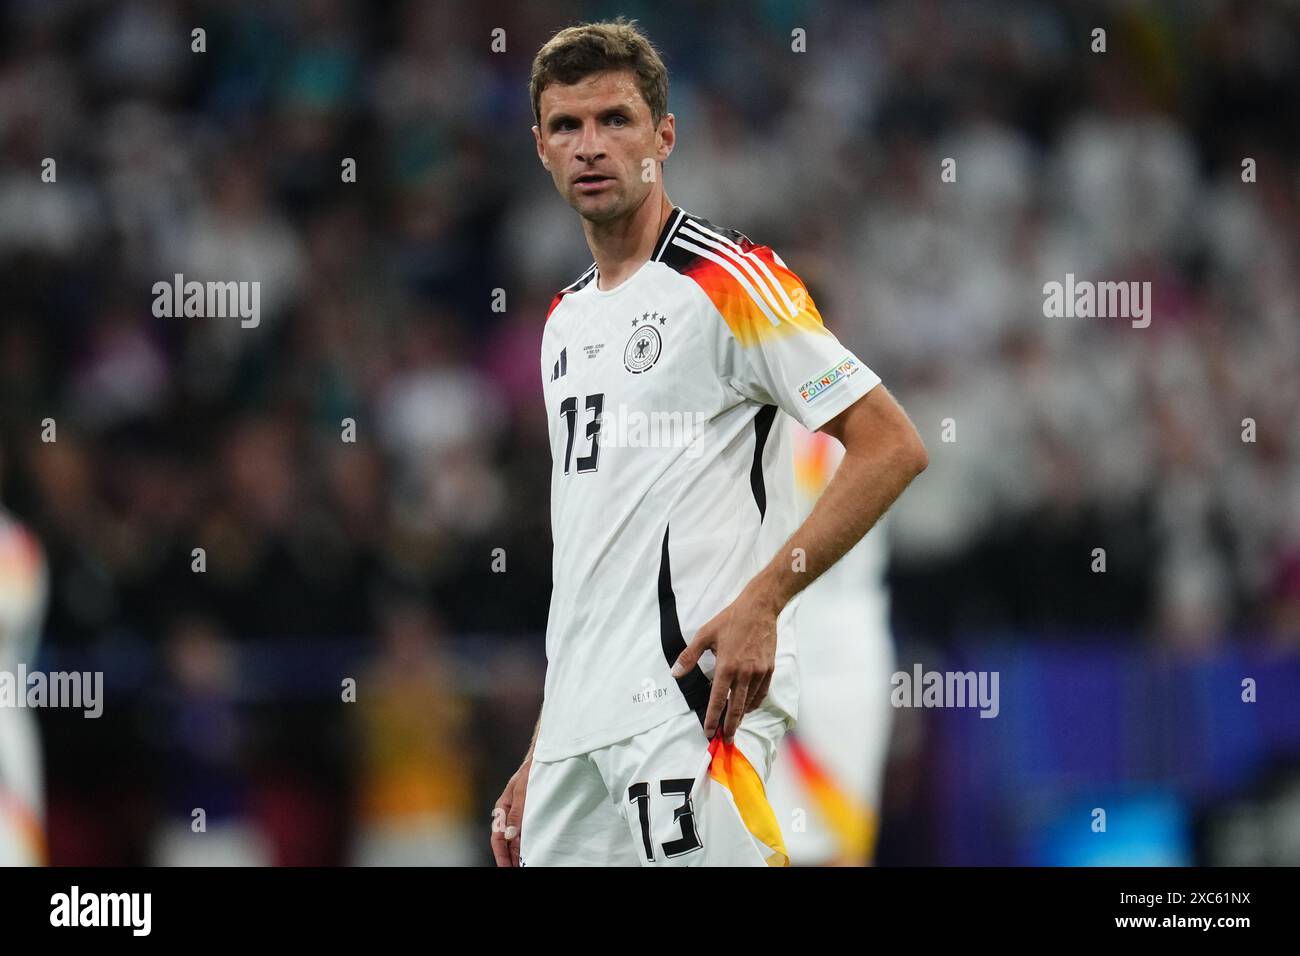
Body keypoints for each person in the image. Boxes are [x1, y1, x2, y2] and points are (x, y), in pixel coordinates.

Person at [492, 18, 926, 867]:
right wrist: (546, 741)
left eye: (615, 120)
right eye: (566, 126)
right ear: (539, 147)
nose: (590, 146)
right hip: (580, 729)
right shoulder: (562, 321)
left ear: (664, 135)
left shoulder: (728, 279)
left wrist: (764, 600)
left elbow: (891, 444)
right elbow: (591, 556)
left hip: (688, 708)